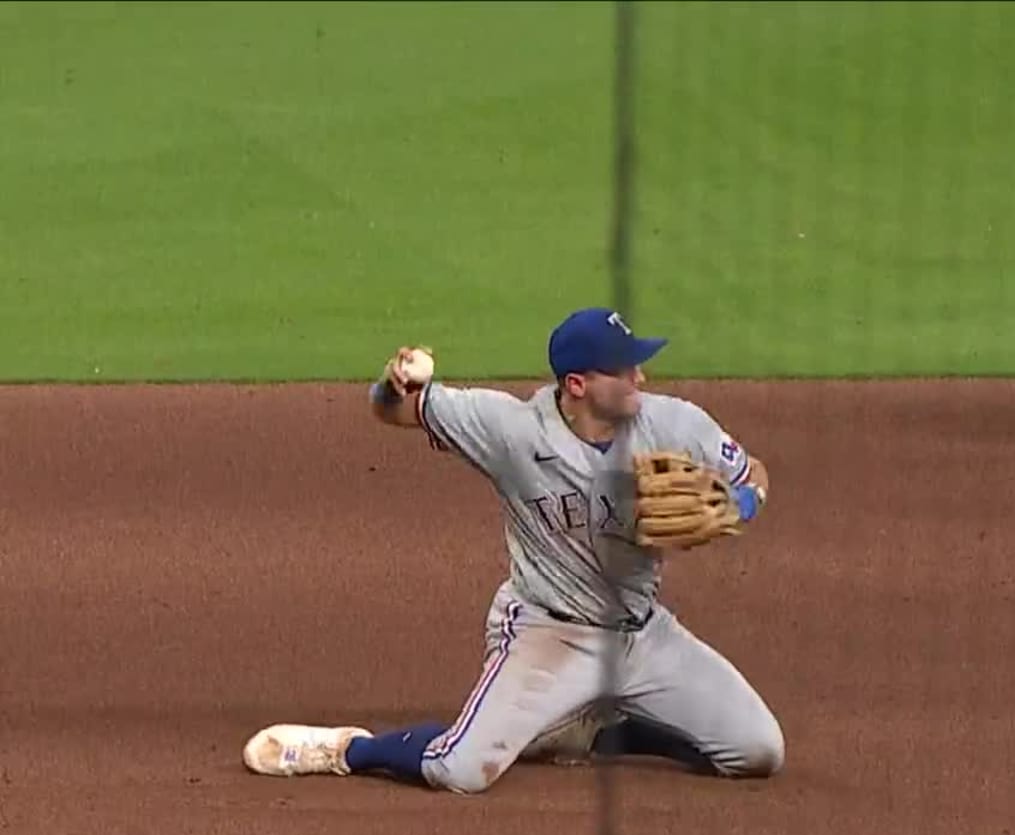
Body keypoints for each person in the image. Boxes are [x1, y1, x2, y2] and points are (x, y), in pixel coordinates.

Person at [240, 308, 784, 792]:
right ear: (577, 384)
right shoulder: (512, 431)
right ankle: (345, 750)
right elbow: (392, 411)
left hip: (644, 635)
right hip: (549, 635)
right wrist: (392, 381)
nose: (640, 376)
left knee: (758, 750)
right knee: (461, 770)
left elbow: (752, 470)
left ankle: (594, 731)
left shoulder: (674, 423)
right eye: (623, 369)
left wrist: (745, 500)